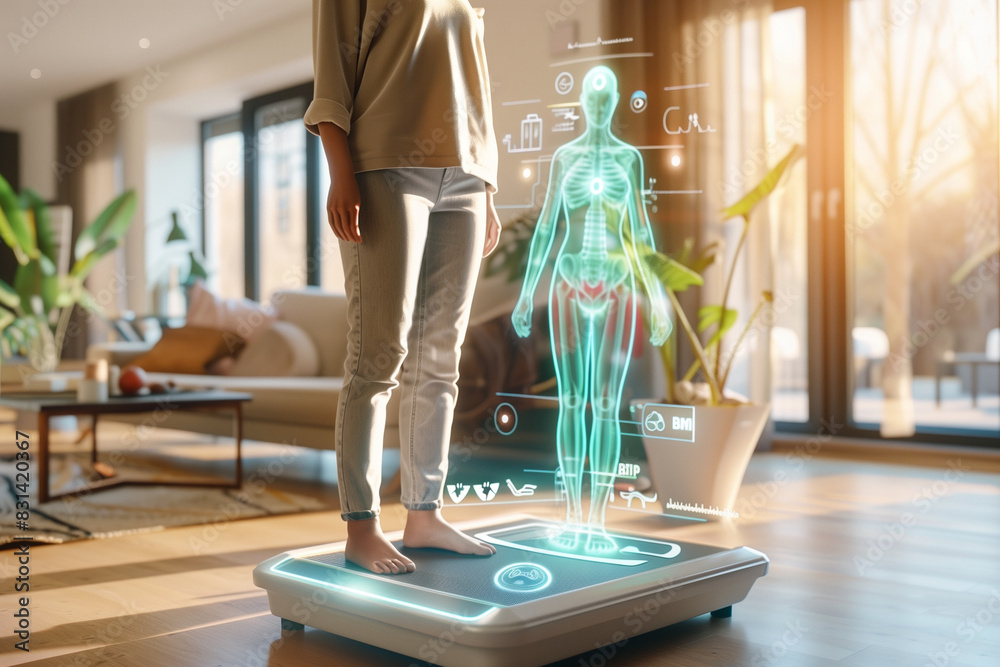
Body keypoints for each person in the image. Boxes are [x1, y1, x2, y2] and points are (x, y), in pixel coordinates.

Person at [305, 0, 501, 575]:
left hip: (466, 174)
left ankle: (424, 514)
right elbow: (332, 71)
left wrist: (486, 183)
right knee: (379, 356)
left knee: (440, 357)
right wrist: (341, 170)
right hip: (384, 164)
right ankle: (361, 527)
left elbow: (476, 78)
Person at [512, 66, 672, 553]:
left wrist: (658, 298)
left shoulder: (629, 160)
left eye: (606, 98)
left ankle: (597, 523)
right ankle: (570, 519)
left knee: (605, 403)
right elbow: (547, 230)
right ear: (583, 102)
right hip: (567, 281)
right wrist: (524, 294)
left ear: (616, 101)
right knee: (571, 403)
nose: (598, 105)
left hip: (618, 284)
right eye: (592, 97)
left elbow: (640, 232)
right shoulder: (565, 157)